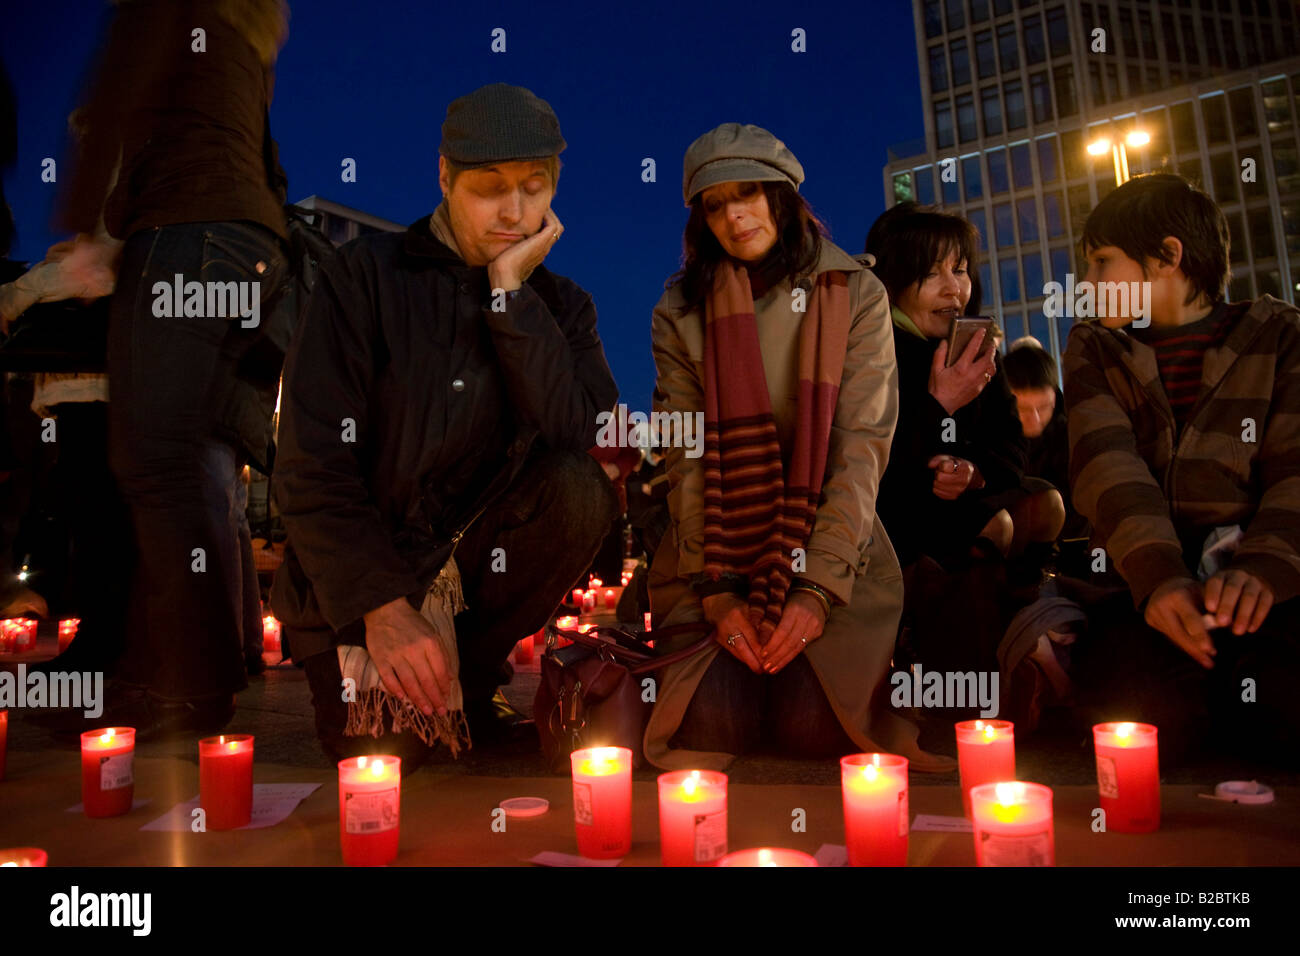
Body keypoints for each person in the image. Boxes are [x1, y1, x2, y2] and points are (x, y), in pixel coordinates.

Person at [271, 83, 618, 769]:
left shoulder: (560, 305)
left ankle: (472, 672)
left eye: (534, 186)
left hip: (471, 571)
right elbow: (312, 461)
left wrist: (511, 297)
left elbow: (573, 431)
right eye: (490, 188)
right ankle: (414, 680)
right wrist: (383, 610)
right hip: (357, 594)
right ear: (444, 177)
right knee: (387, 759)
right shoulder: (365, 277)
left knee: (579, 489)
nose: (515, 211)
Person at [645, 123, 952, 772]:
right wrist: (719, 586)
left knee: (814, 728)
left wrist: (816, 590)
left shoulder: (855, 293)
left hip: (830, 549)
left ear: (782, 197)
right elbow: (685, 450)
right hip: (719, 551)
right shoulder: (680, 308)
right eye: (714, 203)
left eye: (748, 193)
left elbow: (860, 447)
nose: (734, 215)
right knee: (712, 728)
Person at [52, 0, 293, 737]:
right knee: (191, 467)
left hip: (181, 235)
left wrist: (84, 226)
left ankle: (187, 687)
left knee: (154, 466)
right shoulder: (244, 42)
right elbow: (269, 165)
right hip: (251, 249)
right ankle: (185, 674)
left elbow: (118, 92)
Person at [1064, 173, 1300, 762]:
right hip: (1141, 585)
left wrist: (1263, 571)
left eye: (1101, 263)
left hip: (1261, 581)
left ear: (1168, 256)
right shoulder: (1096, 347)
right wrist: (1161, 578)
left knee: (1278, 703)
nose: (1087, 284)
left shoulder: (1279, 337)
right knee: (1138, 718)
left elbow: (1295, 472)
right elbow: (1108, 469)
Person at [864, 203, 1059, 572]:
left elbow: (1013, 446)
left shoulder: (975, 345)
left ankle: (1029, 606)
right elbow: (872, 468)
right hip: (889, 519)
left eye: (960, 270)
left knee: (1046, 502)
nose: (953, 289)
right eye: (931, 273)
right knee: (992, 526)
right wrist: (941, 404)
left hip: (967, 501)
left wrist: (974, 473)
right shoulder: (869, 349)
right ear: (892, 282)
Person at [1002, 338, 1088, 546]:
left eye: (1043, 407)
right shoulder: (991, 436)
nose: (1035, 420)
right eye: (1023, 410)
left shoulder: (1073, 435)